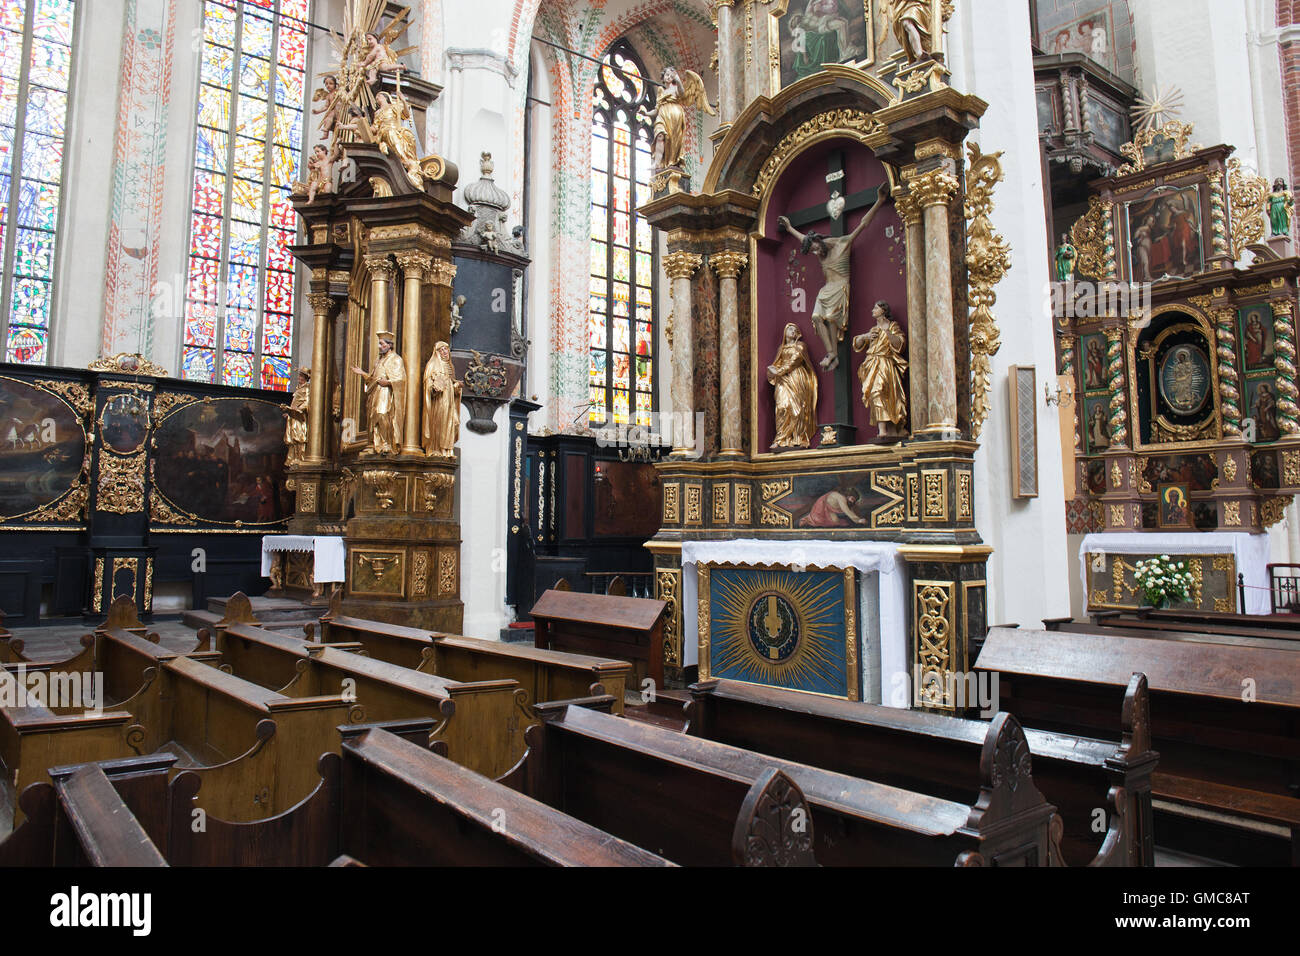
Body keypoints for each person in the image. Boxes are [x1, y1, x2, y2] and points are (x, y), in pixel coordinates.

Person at [778, 186, 890, 370]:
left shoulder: (843, 244)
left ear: (818, 240)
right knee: (815, 317)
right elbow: (804, 239)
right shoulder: (818, 251)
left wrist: (879, 201)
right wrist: (790, 228)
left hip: (840, 286)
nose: (815, 253)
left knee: (830, 319)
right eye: (812, 251)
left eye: (815, 248)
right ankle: (830, 353)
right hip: (826, 289)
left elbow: (863, 224)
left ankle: (834, 355)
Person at [852, 300, 908, 438]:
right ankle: (882, 430)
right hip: (872, 364)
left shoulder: (892, 326)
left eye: (875, 308)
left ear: (883, 311)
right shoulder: (873, 330)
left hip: (886, 364)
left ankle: (893, 428)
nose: (872, 310)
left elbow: (900, 344)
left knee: (888, 395)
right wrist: (865, 336)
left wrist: (887, 332)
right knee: (875, 393)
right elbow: (858, 343)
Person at [649, 67, 714, 173]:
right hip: (663, 115)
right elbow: (656, 109)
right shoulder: (661, 91)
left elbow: (683, 94)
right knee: (660, 135)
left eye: (671, 75)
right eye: (667, 75)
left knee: (674, 139)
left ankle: (672, 161)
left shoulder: (676, 88)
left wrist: (678, 80)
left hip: (675, 115)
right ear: (663, 77)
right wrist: (645, 113)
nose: (669, 77)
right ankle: (658, 162)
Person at [351, 330, 405, 455]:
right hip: (376, 392)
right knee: (374, 416)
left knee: (383, 414)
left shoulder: (396, 359)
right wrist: (362, 373)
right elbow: (372, 378)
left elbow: (401, 379)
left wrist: (389, 382)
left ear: (390, 345)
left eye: (382, 344)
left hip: (387, 392)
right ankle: (378, 443)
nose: (380, 347)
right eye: (379, 344)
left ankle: (387, 443)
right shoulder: (378, 361)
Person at [767, 323, 819, 449]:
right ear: (785, 332)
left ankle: (798, 438)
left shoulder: (800, 346)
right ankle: (780, 439)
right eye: (790, 329)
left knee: (797, 409)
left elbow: (794, 361)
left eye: (795, 330)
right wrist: (771, 370)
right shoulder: (782, 348)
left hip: (796, 378)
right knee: (782, 407)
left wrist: (778, 371)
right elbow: (777, 363)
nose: (793, 331)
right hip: (783, 380)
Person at [372, 90, 423, 189]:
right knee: (387, 133)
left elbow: (407, 115)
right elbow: (375, 127)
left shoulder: (393, 106)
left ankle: (404, 159)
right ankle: (404, 159)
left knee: (391, 133)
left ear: (385, 97)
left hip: (392, 129)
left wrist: (403, 100)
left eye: (379, 96)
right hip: (382, 133)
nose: (377, 98)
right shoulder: (377, 113)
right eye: (376, 98)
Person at [422, 341, 461, 457]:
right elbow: (428, 384)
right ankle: (437, 449)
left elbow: (451, 385)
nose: (445, 352)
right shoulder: (432, 365)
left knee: (454, 422)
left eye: (446, 349)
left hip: (449, 402)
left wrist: (457, 386)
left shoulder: (450, 366)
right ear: (437, 353)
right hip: (438, 402)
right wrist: (434, 388)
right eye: (442, 350)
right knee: (440, 423)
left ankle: (447, 450)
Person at [284, 368, 310, 467]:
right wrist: (289, 412)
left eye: (301, 376)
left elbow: (307, 402)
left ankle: (301, 459)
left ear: (305, 378)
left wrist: (298, 409)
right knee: (293, 439)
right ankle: (294, 458)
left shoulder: (307, 388)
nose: (299, 378)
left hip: (300, 417)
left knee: (300, 438)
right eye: (299, 376)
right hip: (293, 417)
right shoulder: (298, 388)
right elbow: (295, 404)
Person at [800, 488, 867, 527]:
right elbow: (846, 510)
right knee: (817, 520)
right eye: (852, 498)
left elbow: (850, 510)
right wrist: (858, 520)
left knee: (835, 521)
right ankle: (806, 520)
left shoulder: (846, 501)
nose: (852, 501)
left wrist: (859, 518)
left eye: (853, 500)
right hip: (822, 505)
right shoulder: (841, 498)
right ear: (848, 495)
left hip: (828, 509)